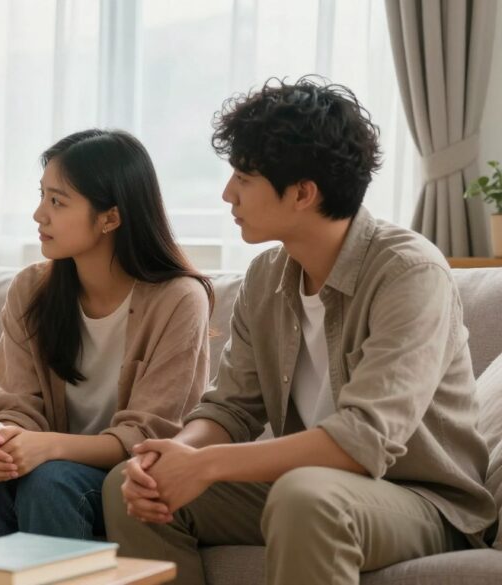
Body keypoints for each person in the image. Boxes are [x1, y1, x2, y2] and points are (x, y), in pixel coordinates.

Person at [104, 78, 498, 585]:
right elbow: (230, 409)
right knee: (130, 485)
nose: (227, 194)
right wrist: (178, 455)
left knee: (306, 495)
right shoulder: (266, 277)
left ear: (302, 193)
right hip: (308, 487)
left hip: (423, 501)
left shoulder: (409, 272)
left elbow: (364, 439)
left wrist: (208, 465)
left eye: (243, 178)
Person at [0, 129, 212, 542]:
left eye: (57, 201)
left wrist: (50, 447)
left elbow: (149, 434)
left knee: (50, 482)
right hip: (52, 467)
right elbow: (14, 403)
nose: (39, 214)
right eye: (42, 196)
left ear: (110, 218)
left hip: (129, 477)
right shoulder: (31, 289)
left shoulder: (179, 299)